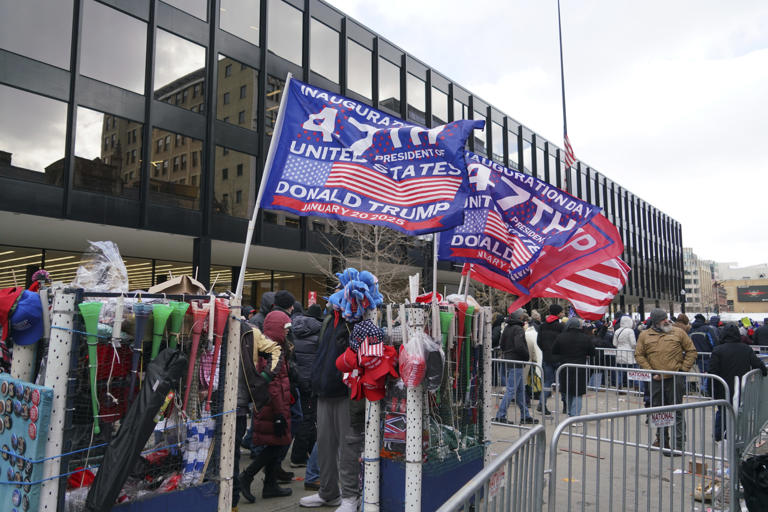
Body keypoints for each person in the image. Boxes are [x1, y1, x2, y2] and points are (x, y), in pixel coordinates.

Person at [299, 303, 358, 510]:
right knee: (325, 445)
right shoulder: (329, 319)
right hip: (324, 390)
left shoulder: (357, 318)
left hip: (346, 392)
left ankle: (351, 495)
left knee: (348, 447)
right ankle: (328, 492)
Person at [239, 311, 295, 501]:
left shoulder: (276, 346)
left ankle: (270, 485)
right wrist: (279, 413)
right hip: (273, 407)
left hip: (276, 405)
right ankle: (247, 476)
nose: (287, 331)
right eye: (285, 328)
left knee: (276, 444)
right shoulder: (270, 350)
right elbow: (273, 385)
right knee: (275, 447)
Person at [233, 314, 284, 510]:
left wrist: (262, 379)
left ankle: (232, 502)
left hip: (238, 405)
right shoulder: (208, 328)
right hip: (211, 405)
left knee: (232, 457)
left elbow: (275, 351)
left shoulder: (248, 332)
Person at [635, 308, 697, 456]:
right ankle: (663, 442)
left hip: (675, 378)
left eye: (666, 318)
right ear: (656, 322)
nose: (667, 321)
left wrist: (683, 370)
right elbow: (639, 355)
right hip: (656, 380)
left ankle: (678, 445)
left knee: (677, 411)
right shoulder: (645, 335)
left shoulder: (678, 332)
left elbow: (691, 351)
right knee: (659, 412)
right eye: (663, 319)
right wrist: (651, 371)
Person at [708, 324, 767, 442]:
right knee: (739, 412)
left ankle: (720, 436)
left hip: (723, 387)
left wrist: (710, 390)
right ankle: (735, 435)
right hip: (740, 387)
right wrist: (764, 372)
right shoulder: (746, 348)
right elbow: (758, 364)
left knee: (722, 411)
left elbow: (712, 371)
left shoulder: (718, 350)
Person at [289, 303, 323, 467]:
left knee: (305, 415)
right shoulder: (319, 334)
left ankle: (309, 451)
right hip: (311, 381)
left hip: (297, 379)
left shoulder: (294, 330)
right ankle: (298, 456)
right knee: (308, 419)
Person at [494, 310, 537, 424]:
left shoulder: (507, 327)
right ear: (519, 317)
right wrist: (526, 356)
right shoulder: (518, 329)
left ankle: (525, 415)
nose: (523, 316)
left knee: (520, 390)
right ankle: (500, 415)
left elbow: (502, 344)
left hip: (509, 360)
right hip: (516, 361)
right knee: (511, 390)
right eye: (522, 314)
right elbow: (519, 346)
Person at [552, 317, 596, 418]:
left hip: (565, 367)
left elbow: (554, 350)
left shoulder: (561, 337)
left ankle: (570, 414)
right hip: (579, 368)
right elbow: (592, 352)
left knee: (568, 391)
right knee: (578, 393)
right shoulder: (585, 338)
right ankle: (575, 415)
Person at [536, 304, 565, 415]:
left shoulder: (542, 325)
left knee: (547, 382)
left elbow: (539, 341)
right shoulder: (561, 326)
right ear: (558, 313)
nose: (563, 314)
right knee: (562, 381)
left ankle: (541, 403)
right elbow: (563, 341)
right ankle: (565, 404)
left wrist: (545, 350)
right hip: (559, 357)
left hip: (547, 357)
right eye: (562, 312)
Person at [613, 315, 637, 389]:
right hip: (629, 353)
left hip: (619, 353)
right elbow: (633, 343)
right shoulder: (630, 331)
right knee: (632, 371)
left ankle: (619, 386)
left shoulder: (617, 331)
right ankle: (636, 385)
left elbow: (614, 343)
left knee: (620, 372)